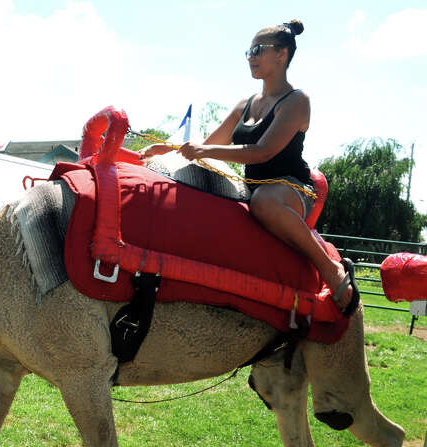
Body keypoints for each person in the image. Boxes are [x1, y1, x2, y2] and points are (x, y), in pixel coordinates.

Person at [141, 20, 357, 315]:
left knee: (265, 202)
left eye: (258, 50)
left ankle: (331, 269)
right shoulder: (245, 103)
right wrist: (166, 149)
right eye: (249, 51)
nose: (250, 57)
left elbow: (261, 152)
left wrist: (202, 150)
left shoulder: (297, 101)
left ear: (281, 54)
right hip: (254, 188)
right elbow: (208, 145)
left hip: (291, 188)